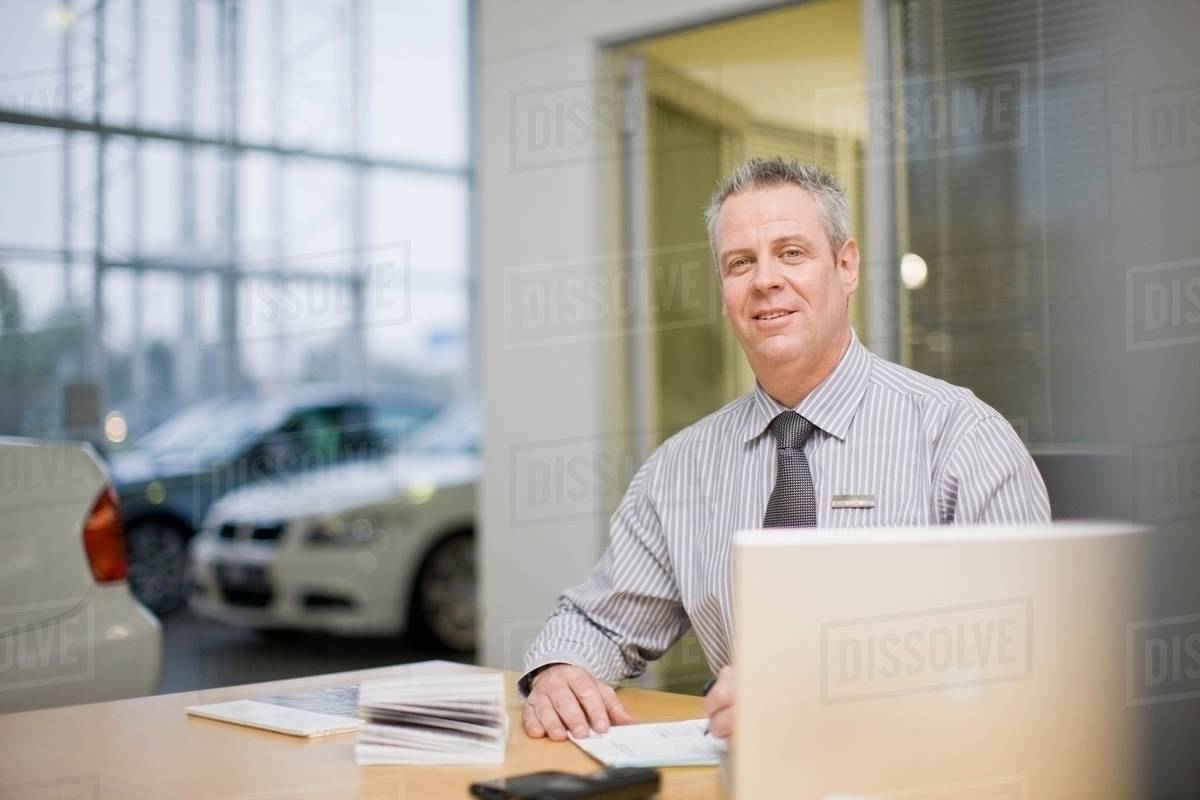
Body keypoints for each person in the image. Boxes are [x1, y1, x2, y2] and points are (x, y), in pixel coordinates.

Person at [518, 157, 1051, 742]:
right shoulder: (681, 469)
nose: (765, 280)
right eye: (740, 263)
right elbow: (599, 620)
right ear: (724, 294)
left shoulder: (959, 437)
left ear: (846, 266)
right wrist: (561, 669)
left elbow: (1029, 647)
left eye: (791, 252)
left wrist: (825, 691)